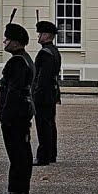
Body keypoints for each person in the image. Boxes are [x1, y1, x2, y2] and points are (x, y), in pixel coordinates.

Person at [0, 20, 35, 194]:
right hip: (23, 110)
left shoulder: (17, 62)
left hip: (16, 112)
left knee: (17, 151)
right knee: (22, 149)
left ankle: (16, 188)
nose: (5, 42)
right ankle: (22, 187)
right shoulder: (25, 59)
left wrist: (6, 114)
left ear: (16, 42)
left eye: (8, 39)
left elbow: (13, 90)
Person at [32, 19, 62, 166]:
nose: (38, 37)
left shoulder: (45, 53)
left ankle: (44, 156)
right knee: (50, 123)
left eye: (40, 34)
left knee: (43, 125)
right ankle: (51, 154)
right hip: (51, 91)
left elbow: (42, 77)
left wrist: (35, 94)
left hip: (44, 94)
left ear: (46, 35)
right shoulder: (54, 51)